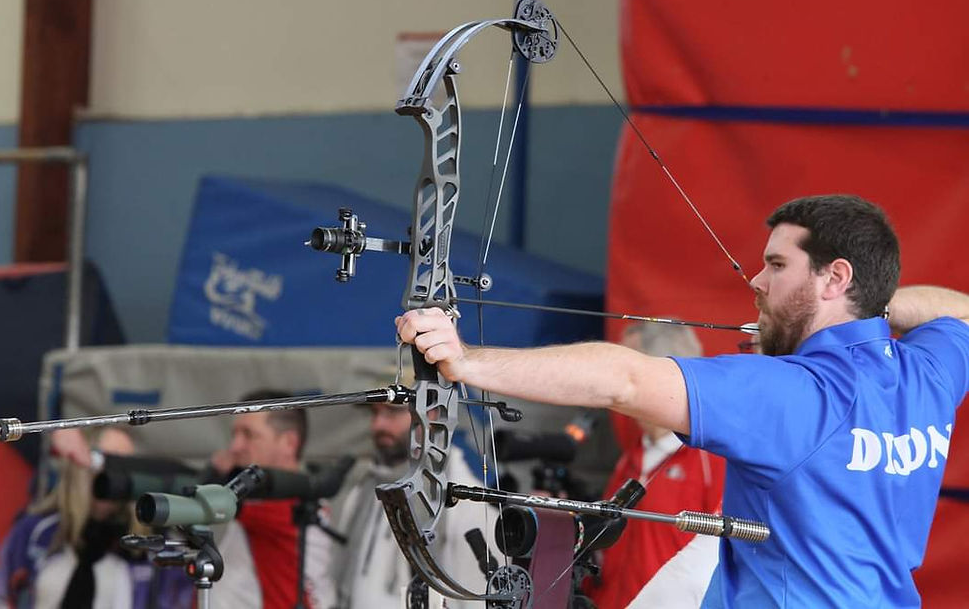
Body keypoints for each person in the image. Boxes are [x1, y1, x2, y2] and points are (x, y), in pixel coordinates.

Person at [396, 194, 969, 607]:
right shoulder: (929, 371)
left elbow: (624, 380)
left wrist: (466, 360)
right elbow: (961, 312)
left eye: (777, 266)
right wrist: (869, 310)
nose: (758, 283)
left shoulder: (793, 392)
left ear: (834, 278)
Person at [588, 323, 724, 609]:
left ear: (664, 375)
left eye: (630, 368)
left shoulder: (714, 462)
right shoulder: (633, 455)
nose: (616, 380)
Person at [331, 374, 492, 609]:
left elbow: (476, 598)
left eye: (392, 412)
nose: (378, 425)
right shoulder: (365, 485)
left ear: (432, 414)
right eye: (375, 413)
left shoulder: (462, 495)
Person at [0, 428, 191, 609]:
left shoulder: (152, 545)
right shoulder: (36, 531)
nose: (114, 474)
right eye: (105, 461)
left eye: (125, 465)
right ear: (81, 464)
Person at [209, 390, 335, 609]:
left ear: (288, 443)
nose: (235, 447)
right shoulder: (257, 502)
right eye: (234, 435)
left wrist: (212, 475)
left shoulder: (293, 506)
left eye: (249, 435)